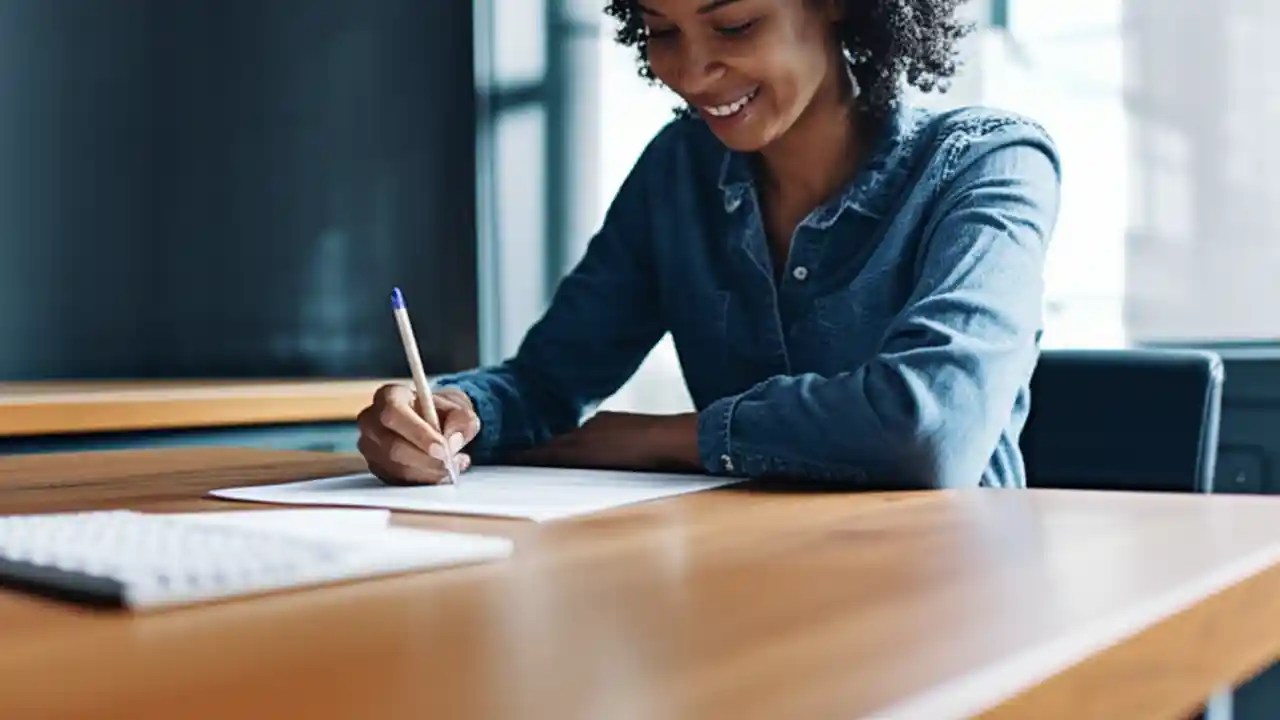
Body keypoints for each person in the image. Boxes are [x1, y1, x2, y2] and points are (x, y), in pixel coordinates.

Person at [356, 0, 1061, 489]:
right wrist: (454, 412)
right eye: (661, 30)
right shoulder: (680, 170)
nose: (690, 72)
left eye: (735, 24)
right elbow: (547, 382)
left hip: (954, 598)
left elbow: (929, 426)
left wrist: (660, 438)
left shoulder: (990, 165)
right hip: (744, 589)